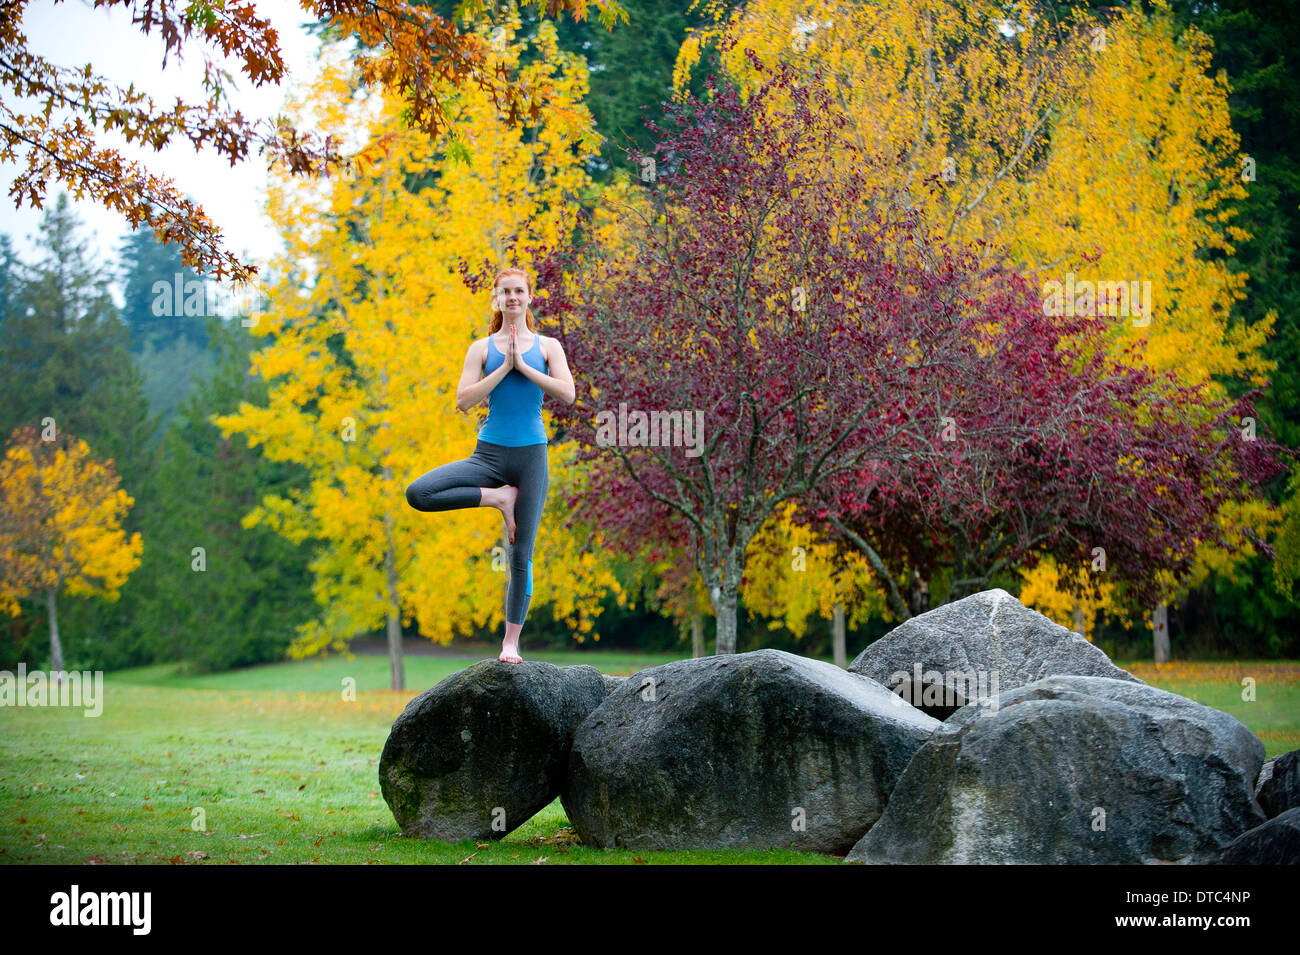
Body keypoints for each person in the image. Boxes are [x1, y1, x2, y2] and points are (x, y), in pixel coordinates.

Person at [405, 267, 575, 663]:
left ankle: (510, 643)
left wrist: (524, 366)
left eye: (519, 291)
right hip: (488, 457)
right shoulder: (480, 349)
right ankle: (498, 498)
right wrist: (503, 367)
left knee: (521, 554)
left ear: (529, 296)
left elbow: (568, 394)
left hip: (531, 458)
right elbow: (464, 401)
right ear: (496, 299)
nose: (512, 297)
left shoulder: (548, 347)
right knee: (418, 493)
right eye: (505, 292)